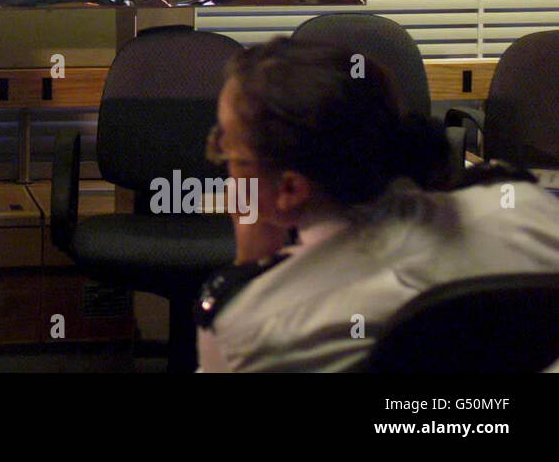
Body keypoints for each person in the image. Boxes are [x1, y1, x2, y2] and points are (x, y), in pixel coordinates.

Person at [197, 37, 559, 372]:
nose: (224, 162)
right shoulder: (530, 212)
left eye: (226, 148)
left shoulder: (257, 325)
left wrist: (248, 269)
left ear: (289, 189)